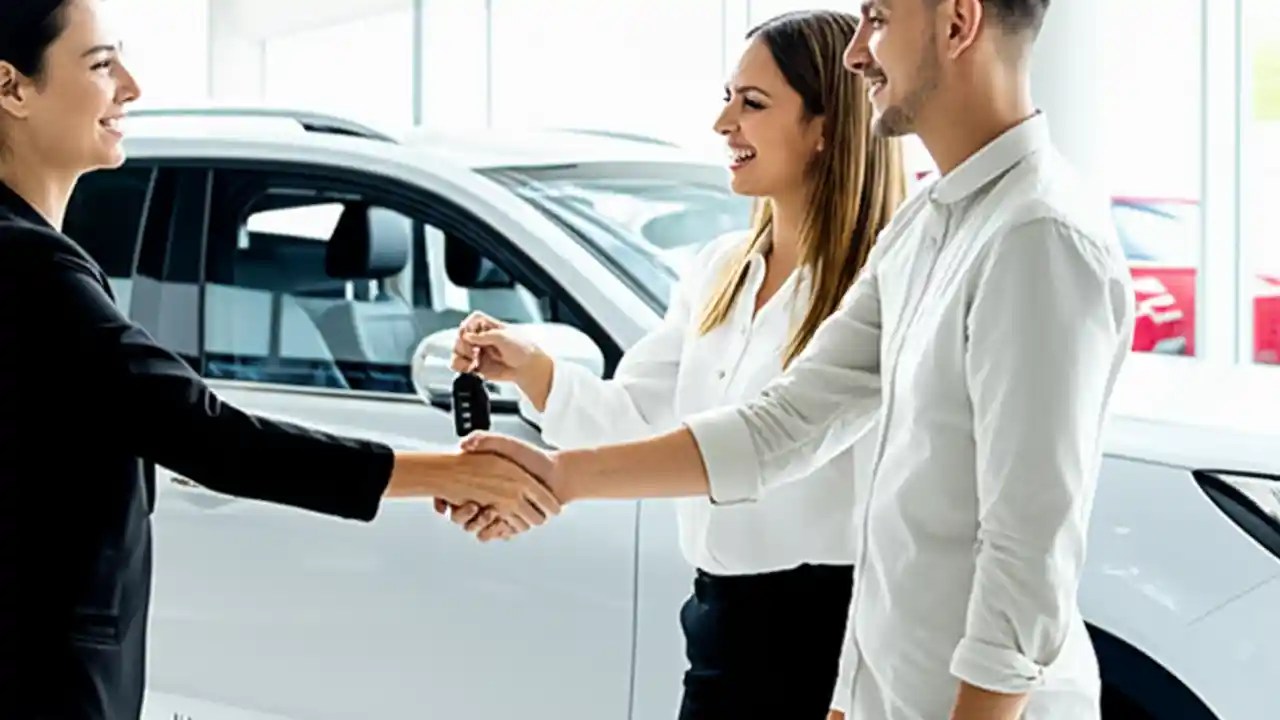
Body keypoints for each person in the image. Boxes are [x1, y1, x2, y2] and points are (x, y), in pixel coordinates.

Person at [456, 1, 1136, 719]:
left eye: (878, 18)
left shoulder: (1038, 237)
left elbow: (1029, 554)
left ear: (958, 22)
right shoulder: (926, 226)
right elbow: (787, 424)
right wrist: (561, 475)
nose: (857, 53)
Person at [0, 2, 557, 717]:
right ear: (12, 88)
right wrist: (452, 472)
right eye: (102, 64)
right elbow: (205, 434)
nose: (132, 87)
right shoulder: (30, 268)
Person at [445, 10, 905, 720]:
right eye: (728, 98)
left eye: (753, 103)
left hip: (832, 634)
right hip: (720, 623)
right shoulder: (721, 269)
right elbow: (636, 414)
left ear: (825, 127)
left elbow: (856, 489)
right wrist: (533, 369)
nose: (724, 123)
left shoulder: (880, 284)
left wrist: (850, 694)